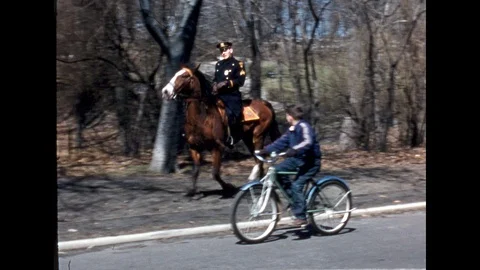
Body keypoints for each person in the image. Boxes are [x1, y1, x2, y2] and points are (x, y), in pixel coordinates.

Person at [257, 105, 322, 226]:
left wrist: (295, 149)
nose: (286, 118)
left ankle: (301, 217)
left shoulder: (303, 126)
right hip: (297, 159)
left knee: (297, 185)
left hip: (310, 161)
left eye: (287, 115)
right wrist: (266, 150)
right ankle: (295, 201)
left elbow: (308, 141)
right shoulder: (292, 129)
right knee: (276, 172)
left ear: (290, 116)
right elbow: (281, 142)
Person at [212, 41, 246, 147]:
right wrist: (214, 85)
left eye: (225, 50)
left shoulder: (238, 64)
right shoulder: (218, 64)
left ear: (231, 50)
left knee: (230, 114)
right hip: (218, 96)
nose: (223, 52)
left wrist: (227, 83)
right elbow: (215, 79)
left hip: (231, 96)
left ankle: (232, 136)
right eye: (221, 50)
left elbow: (240, 81)